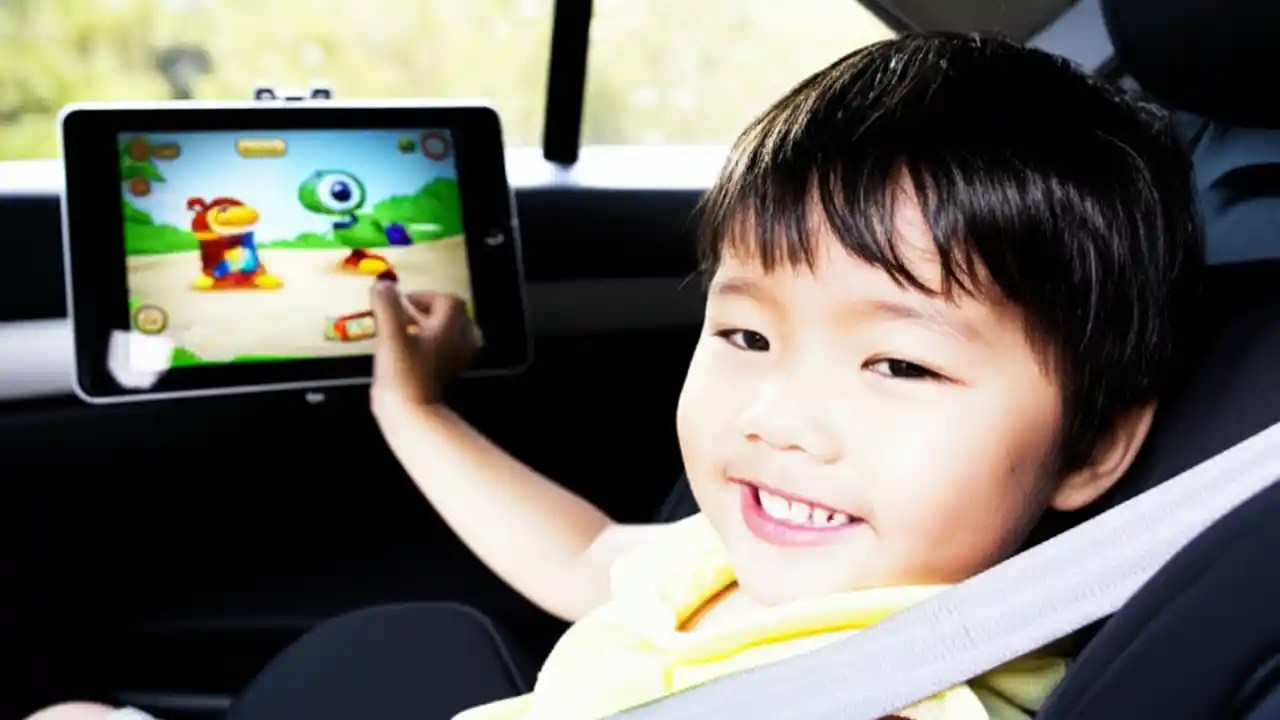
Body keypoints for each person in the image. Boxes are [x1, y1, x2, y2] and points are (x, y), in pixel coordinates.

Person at [29, 31, 1203, 720]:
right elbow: (585, 556)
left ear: (1095, 443)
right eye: (744, 336)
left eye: (896, 362)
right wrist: (411, 403)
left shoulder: (905, 688)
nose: (776, 417)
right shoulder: (740, 568)